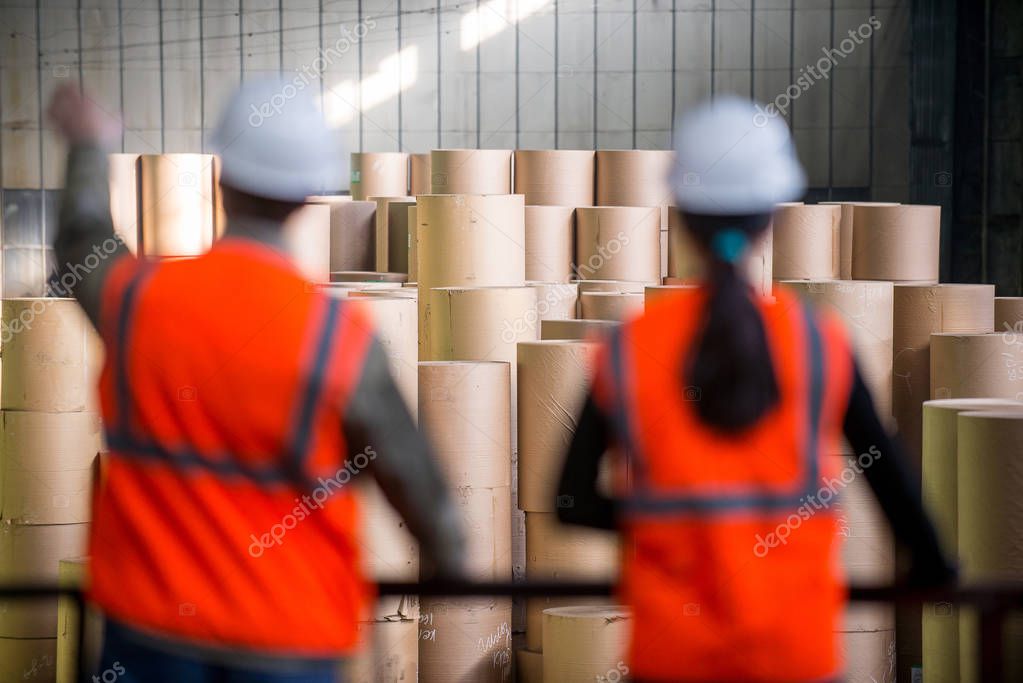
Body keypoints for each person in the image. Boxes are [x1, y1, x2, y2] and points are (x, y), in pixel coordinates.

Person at [47, 81, 466, 683]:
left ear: (222, 180)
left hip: (149, 630)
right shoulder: (336, 338)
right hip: (286, 637)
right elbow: (419, 485)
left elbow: (80, 242)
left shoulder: (141, 301)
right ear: (304, 200)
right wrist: (450, 563)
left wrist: (89, 144)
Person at [556, 98, 956, 682]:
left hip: (673, 658)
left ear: (683, 221)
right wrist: (935, 570)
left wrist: (661, 526)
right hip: (794, 655)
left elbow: (570, 502)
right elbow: (901, 500)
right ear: (770, 217)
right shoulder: (818, 344)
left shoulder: (628, 350)